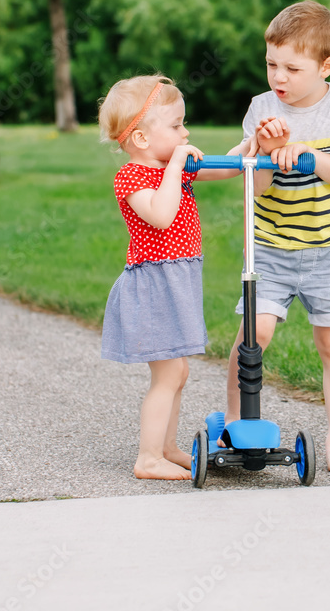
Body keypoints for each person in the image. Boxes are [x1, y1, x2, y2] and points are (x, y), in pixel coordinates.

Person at [222, 0, 330, 473]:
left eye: (292, 67)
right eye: (271, 64)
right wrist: (266, 151)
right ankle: (234, 424)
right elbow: (256, 183)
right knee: (255, 333)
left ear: (325, 66)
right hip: (270, 247)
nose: (278, 77)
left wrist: (304, 152)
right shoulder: (261, 108)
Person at [99, 74, 250, 481]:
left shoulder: (170, 166)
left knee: (178, 372)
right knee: (167, 374)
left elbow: (224, 170)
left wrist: (249, 148)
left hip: (175, 283)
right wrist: (180, 163)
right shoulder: (132, 176)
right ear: (142, 140)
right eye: (176, 125)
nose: (186, 133)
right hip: (152, 288)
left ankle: (166, 447)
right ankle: (147, 458)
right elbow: (162, 216)